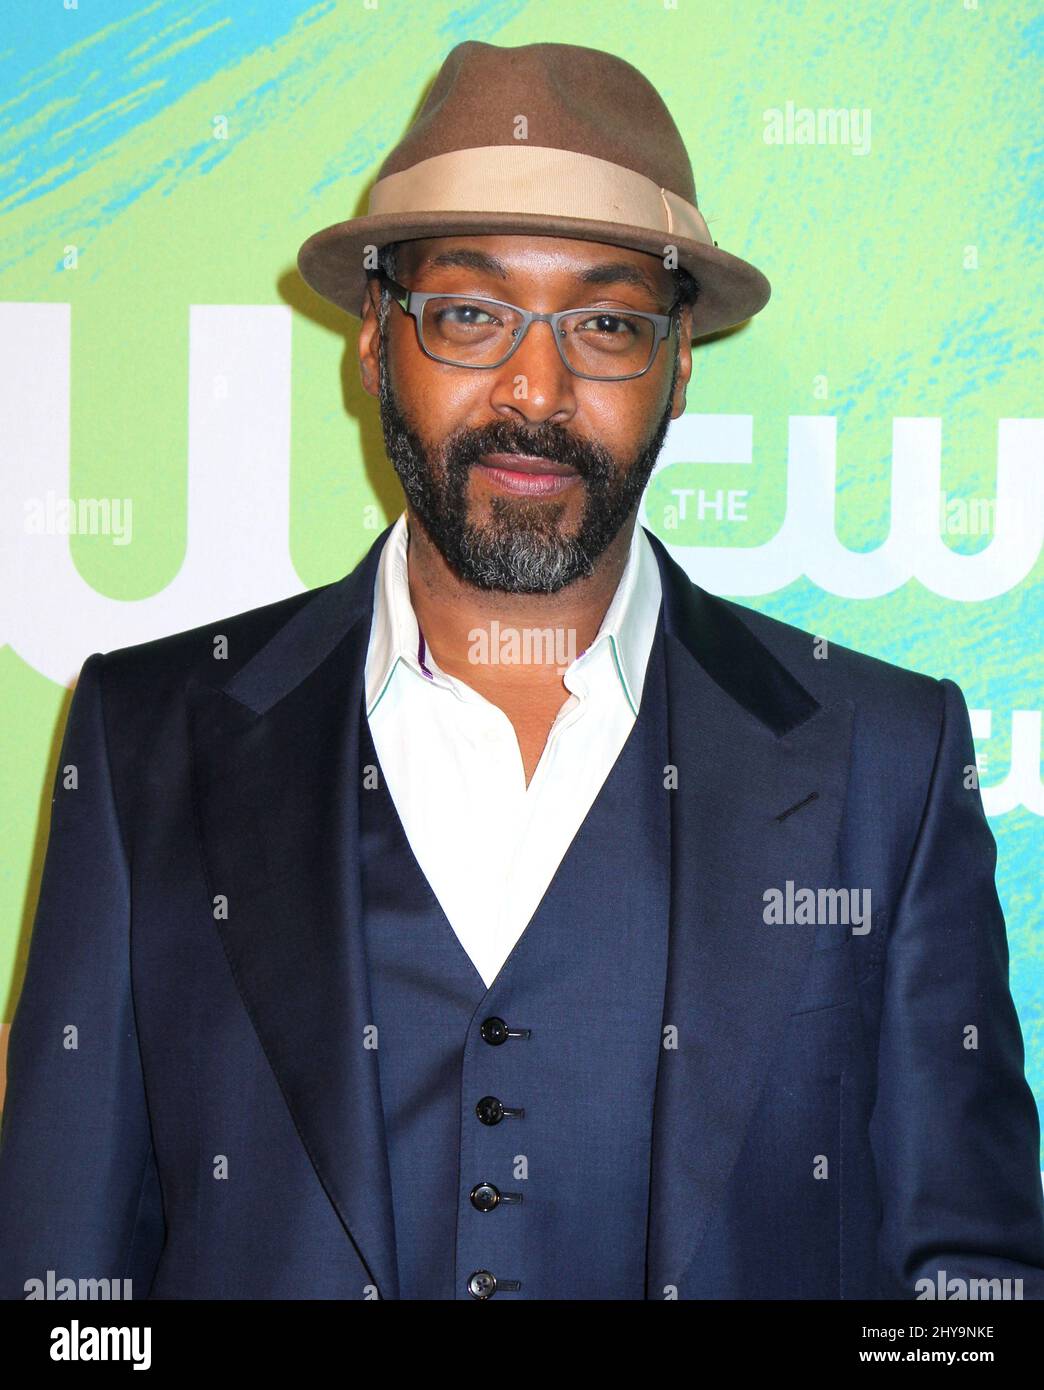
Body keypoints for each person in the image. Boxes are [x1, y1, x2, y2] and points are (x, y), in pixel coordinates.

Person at [1, 39, 1042, 1302]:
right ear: (378, 339)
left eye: (605, 321)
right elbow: (62, 1294)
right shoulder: (144, 737)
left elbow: (972, 1284)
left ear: (677, 365)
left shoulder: (886, 759)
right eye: (472, 315)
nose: (534, 389)